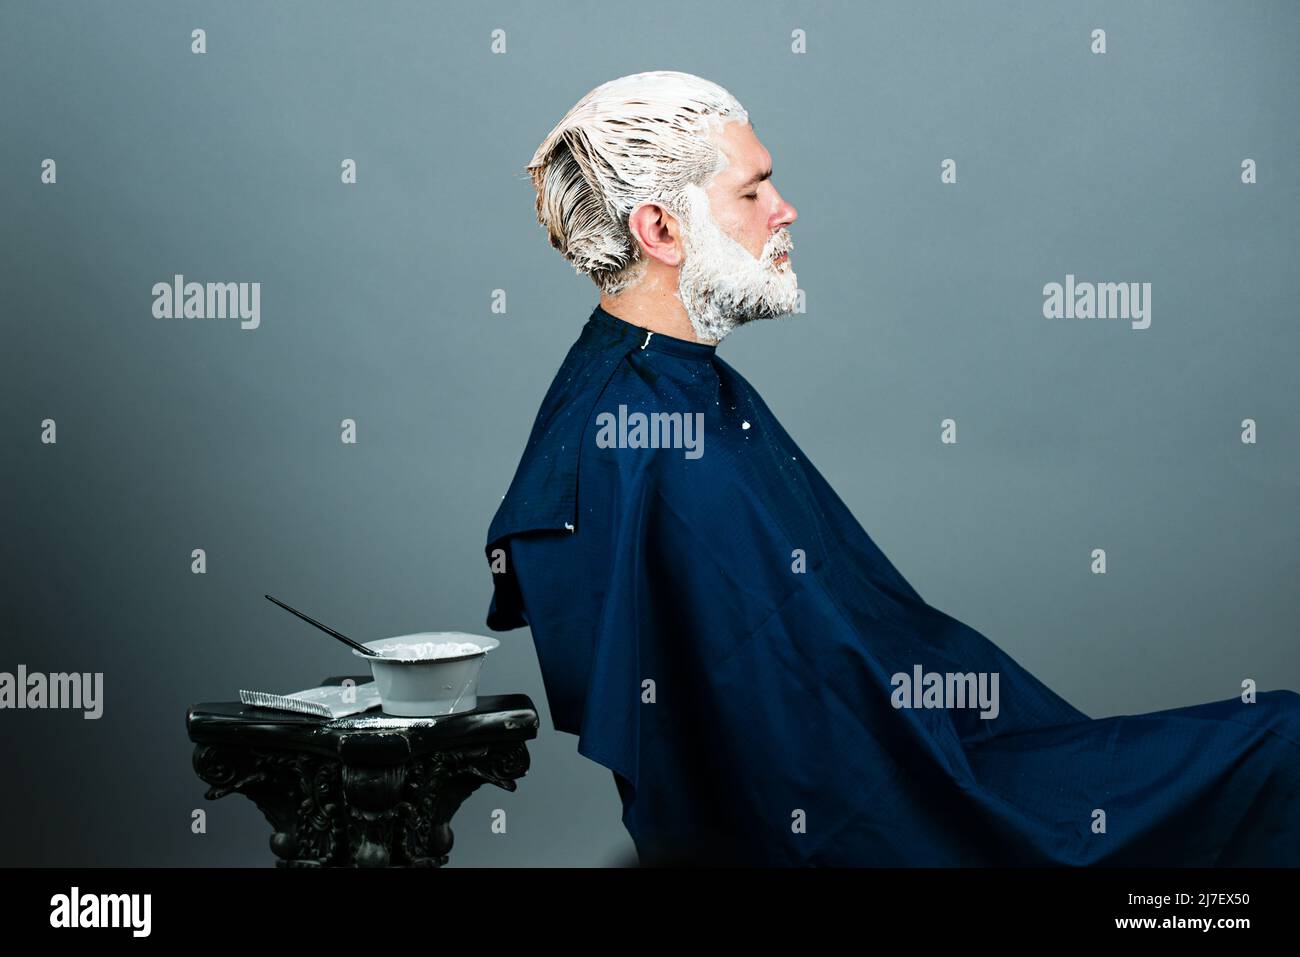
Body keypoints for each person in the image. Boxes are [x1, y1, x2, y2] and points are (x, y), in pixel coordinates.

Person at [484, 70, 1300, 866]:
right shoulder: (655, 437)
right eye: (753, 191)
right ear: (660, 230)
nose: (785, 209)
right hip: (905, 808)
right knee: (1280, 742)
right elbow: (791, 748)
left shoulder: (645, 383)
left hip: (924, 747)